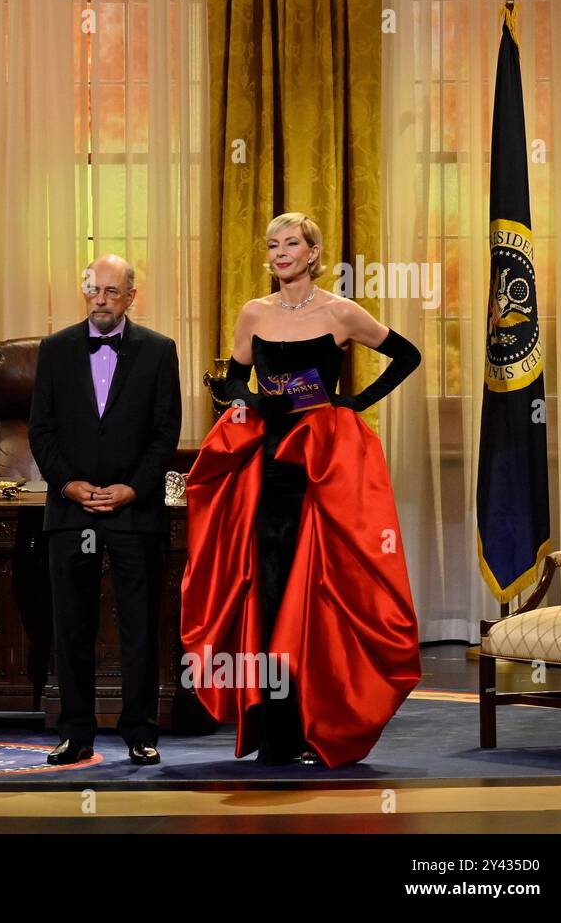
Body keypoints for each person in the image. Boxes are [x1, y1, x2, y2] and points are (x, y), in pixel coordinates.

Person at [182, 212, 422, 768]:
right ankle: (277, 728)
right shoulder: (254, 313)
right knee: (268, 588)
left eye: (292, 244)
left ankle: (319, 725)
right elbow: (233, 376)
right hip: (266, 464)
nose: (281, 252)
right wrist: (247, 398)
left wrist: (352, 404)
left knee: (316, 591)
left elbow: (406, 356)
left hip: (322, 466)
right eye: (273, 245)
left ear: (313, 254)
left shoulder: (341, 312)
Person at [27, 254, 182, 766]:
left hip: (135, 511)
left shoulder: (160, 351)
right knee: (71, 626)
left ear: (131, 297)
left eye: (112, 291)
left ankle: (140, 731)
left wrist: (132, 489)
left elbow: (165, 434)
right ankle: (75, 733)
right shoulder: (54, 349)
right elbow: (41, 431)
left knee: (140, 625)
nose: (100, 298)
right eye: (93, 289)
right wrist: (69, 484)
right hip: (70, 510)